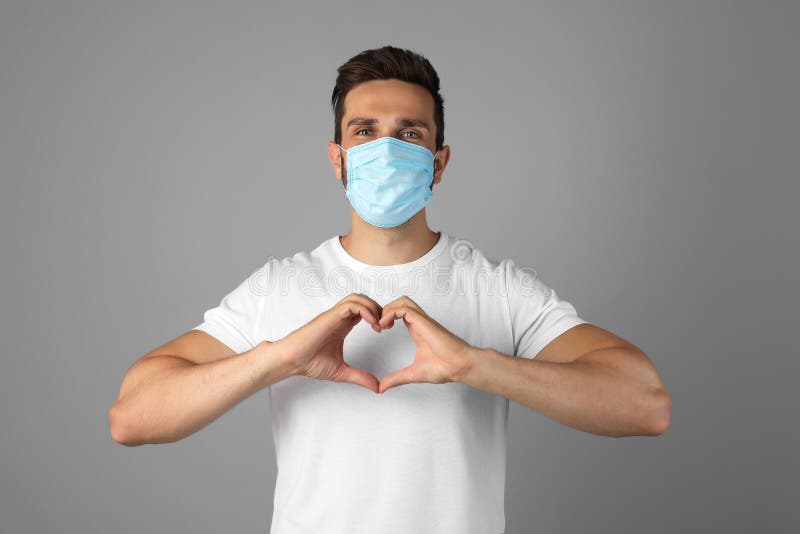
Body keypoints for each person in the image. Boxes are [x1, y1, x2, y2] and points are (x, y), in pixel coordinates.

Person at [109, 45, 671, 534]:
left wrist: (475, 365)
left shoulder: (497, 289)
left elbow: (646, 405)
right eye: (364, 131)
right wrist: (278, 360)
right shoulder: (280, 287)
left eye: (409, 133)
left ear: (438, 162)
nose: (386, 148)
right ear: (338, 160)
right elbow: (132, 416)